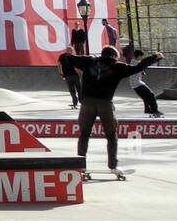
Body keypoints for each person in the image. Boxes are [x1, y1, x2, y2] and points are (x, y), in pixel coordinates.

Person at [69, 46, 161, 179]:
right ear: (113, 56)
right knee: (111, 135)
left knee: (84, 134)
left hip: (87, 103)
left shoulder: (88, 61)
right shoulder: (117, 66)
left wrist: (74, 71)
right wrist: (154, 57)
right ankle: (113, 165)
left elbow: (67, 58)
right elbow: (138, 68)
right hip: (105, 103)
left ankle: (81, 164)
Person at [130, 50, 164, 117]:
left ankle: (147, 109)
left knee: (145, 97)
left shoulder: (133, 62)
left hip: (135, 84)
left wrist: (142, 72)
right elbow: (147, 62)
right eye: (141, 56)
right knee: (151, 95)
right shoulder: (137, 62)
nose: (142, 58)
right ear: (139, 56)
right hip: (137, 83)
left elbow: (142, 66)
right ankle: (155, 110)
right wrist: (157, 57)